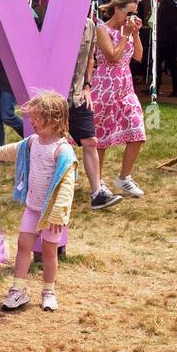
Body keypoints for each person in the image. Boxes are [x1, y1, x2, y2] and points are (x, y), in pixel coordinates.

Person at [0, 91, 77, 312]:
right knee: (23, 246)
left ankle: (48, 292)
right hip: (32, 209)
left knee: (49, 252)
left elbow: (67, 186)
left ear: (54, 120)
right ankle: (17, 291)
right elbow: (12, 151)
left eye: (37, 119)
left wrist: (58, 214)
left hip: (52, 215)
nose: (31, 122)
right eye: (32, 118)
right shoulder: (32, 142)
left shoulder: (63, 150)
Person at [91, 0, 148, 198]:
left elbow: (139, 56)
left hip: (125, 88)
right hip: (104, 89)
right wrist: (125, 34)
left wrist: (136, 33)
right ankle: (98, 184)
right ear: (117, 9)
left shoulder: (129, 30)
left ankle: (124, 178)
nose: (132, 17)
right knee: (101, 140)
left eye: (135, 13)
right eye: (129, 13)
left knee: (137, 131)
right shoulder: (101, 30)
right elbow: (113, 57)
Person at [68, 11, 122, 210]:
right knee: (54, 144)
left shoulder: (90, 25)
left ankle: (97, 193)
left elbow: (91, 58)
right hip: (55, 94)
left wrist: (88, 85)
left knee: (91, 141)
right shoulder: (56, 24)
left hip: (78, 94)